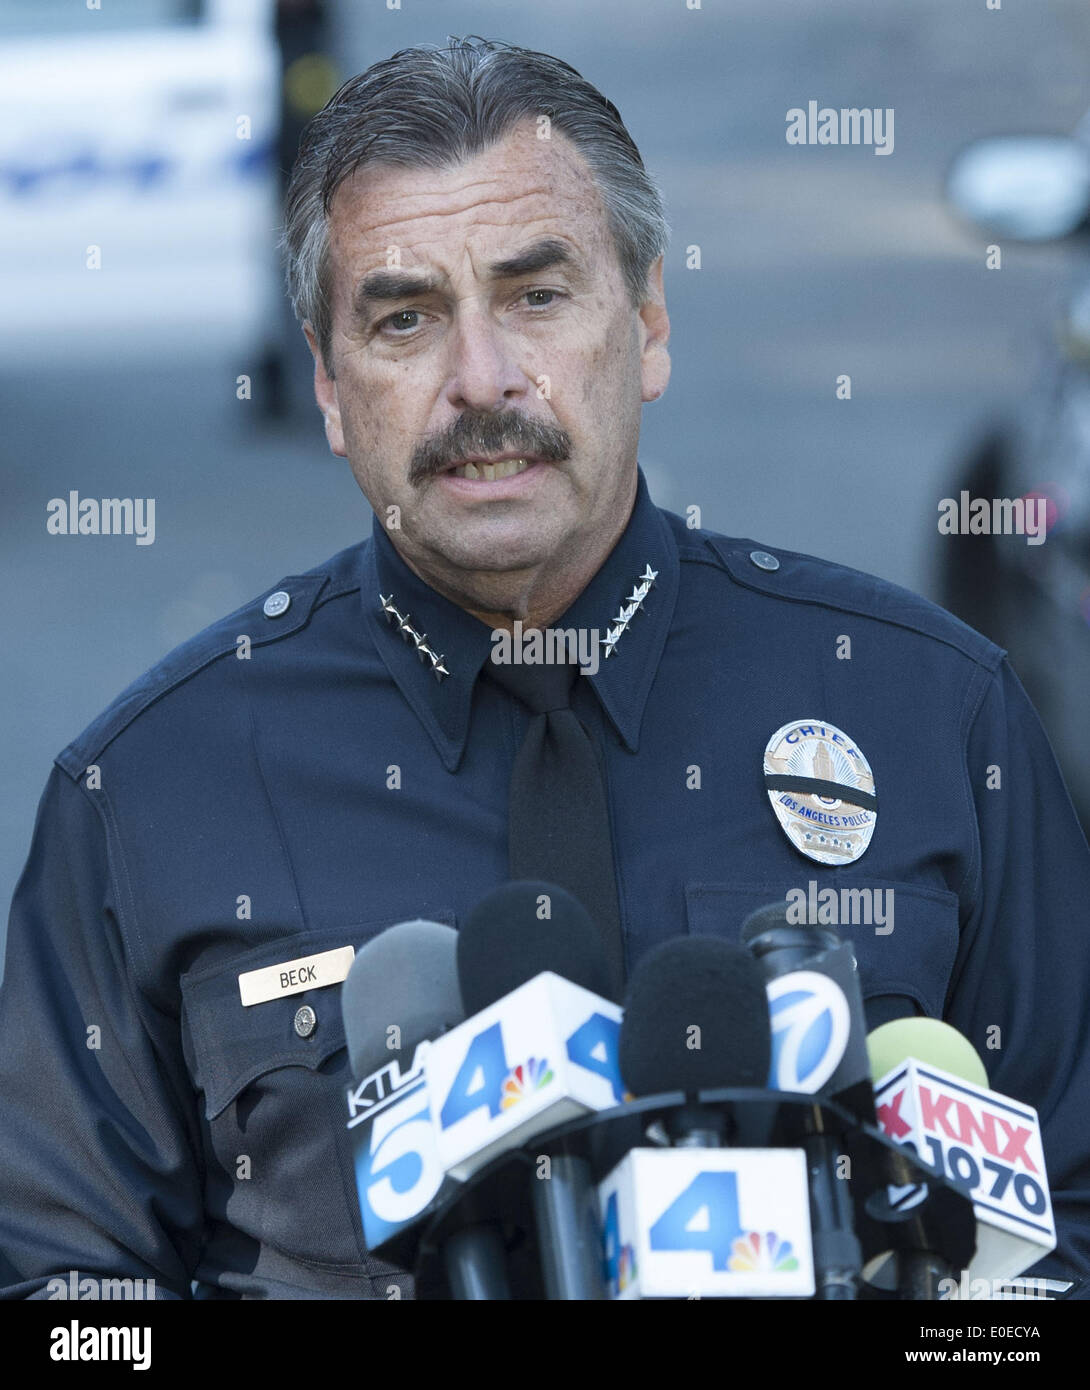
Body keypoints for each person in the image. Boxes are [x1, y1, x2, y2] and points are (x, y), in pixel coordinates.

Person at [1, 36, 1088, 1301]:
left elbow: (1070, 1214)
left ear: (650, 324)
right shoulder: (146, 791)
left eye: (536, 295)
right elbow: (60, 1299)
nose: (481, 382)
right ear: (333, 388)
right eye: (405, 319)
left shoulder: (932, 716)